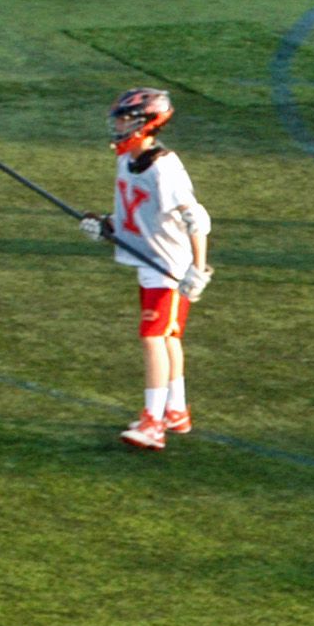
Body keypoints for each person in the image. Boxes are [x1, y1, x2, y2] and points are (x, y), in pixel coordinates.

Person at [90, 89, 213, 450]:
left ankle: (153, 422)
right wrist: (105, 226)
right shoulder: (126, 159)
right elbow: (135, 216)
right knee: (168, 337)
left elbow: (197, 219)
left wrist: (198, 269)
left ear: (148, 124)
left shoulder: (164, 169)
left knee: (152, 337)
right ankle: (176, 411)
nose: (119, 126)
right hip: (150, 260)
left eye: (126, 119)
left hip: (168, 266)